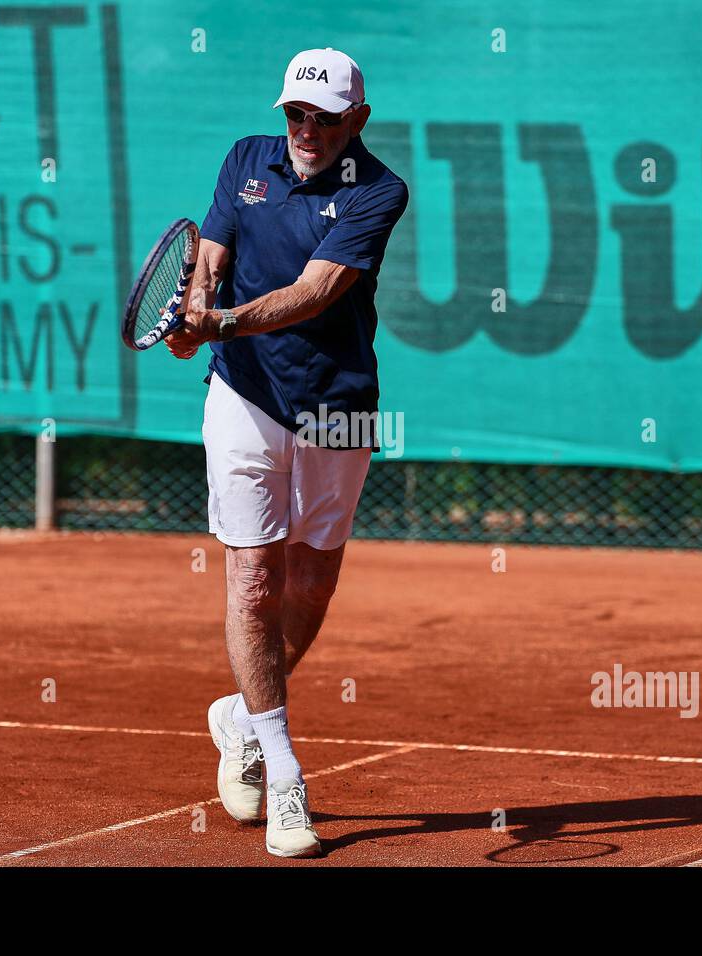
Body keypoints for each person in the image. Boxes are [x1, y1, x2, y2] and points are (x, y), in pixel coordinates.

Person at [166, 47, 408, 858]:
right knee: (254, 573)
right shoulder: (246, 159)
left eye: (323, 118)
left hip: (337, 407)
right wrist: (199, 304)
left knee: (311, 584)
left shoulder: (378, 192)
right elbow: (212, 253)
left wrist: (220, 320)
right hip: (242, 396)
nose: (305, 130)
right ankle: (284, 771)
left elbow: (313, 294)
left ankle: (239, 714)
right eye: (295, 114)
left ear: (357, 121)